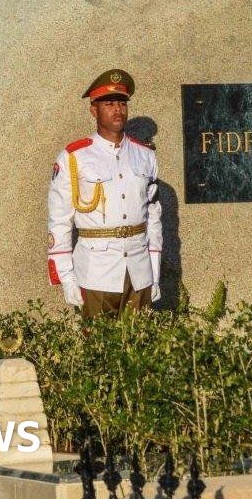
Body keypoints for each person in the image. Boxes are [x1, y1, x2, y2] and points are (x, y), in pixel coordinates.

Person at [46, 69, 163, 317]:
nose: (117, 110)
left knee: (140, 350)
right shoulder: (75, 157)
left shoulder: (146, 156)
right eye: (109, 104)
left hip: (139, 273)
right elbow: (59, 221)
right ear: (94, 110)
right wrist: (66, 278)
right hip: (95, 273)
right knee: (98, 351)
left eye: (122, 103)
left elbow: (153, 218)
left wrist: (155, 272)